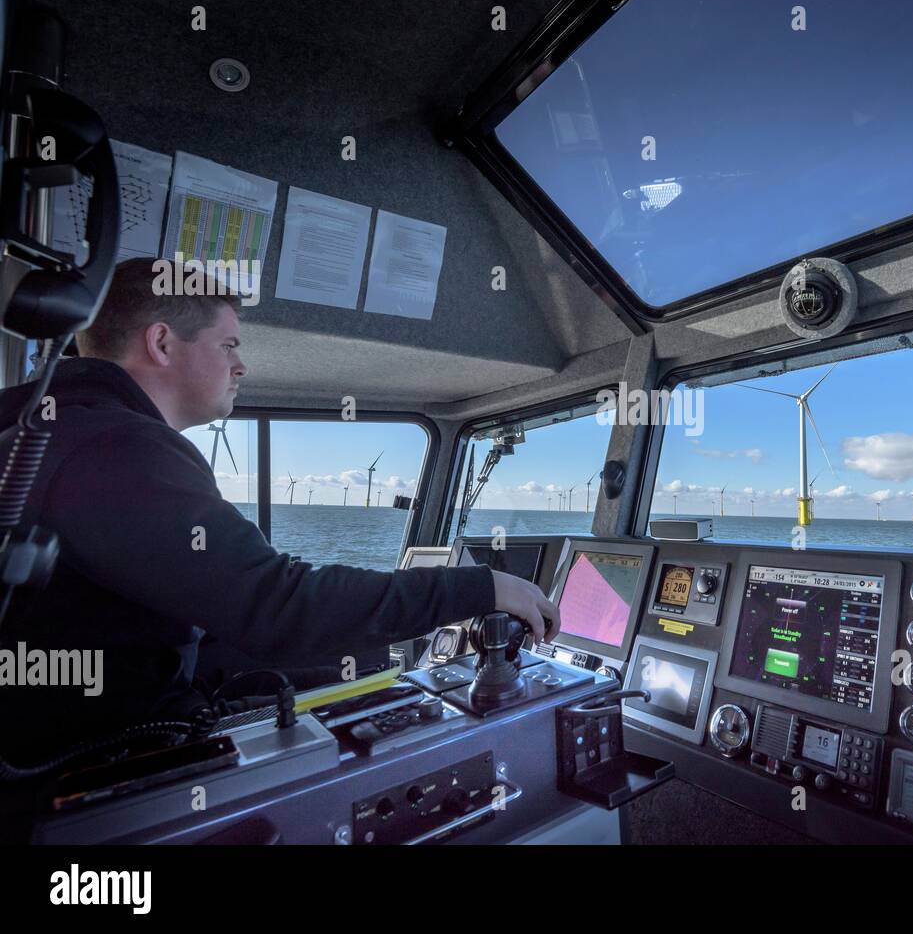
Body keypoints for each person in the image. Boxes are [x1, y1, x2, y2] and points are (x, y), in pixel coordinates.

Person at [0, 257, 559, 762]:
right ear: (162, 343)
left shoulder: (52, 428)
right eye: (228, 346)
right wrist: (479, 588)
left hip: (90, 729)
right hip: (96, 770)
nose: (241, 366)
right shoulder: (117, 447)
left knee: (369, 666)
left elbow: (216, 604)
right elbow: (275, 604)